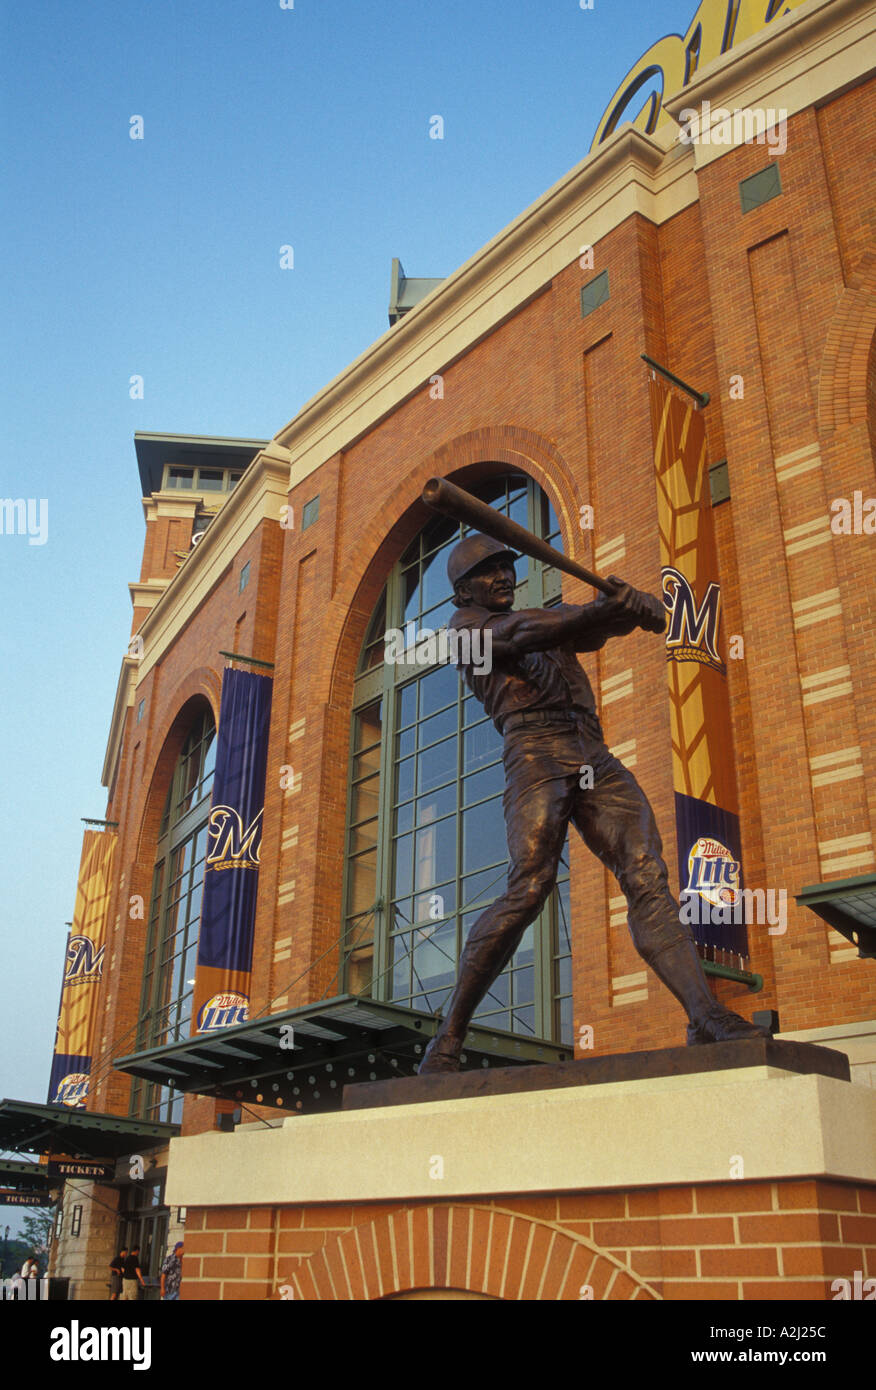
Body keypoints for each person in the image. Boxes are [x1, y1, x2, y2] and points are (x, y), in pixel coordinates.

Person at [419, 534, 770, 1073]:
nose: (504, 577)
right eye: (489, 572)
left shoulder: (549, 618)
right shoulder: (466, 631)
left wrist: (633, 610)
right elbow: (529, 631)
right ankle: (448, 1039)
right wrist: (601, 610)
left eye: (508, 567)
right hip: (535, 751)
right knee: (531, 886)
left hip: (592, 751)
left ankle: (705, 1015)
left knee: (646, 875)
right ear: (464, 590)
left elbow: (592, 627)